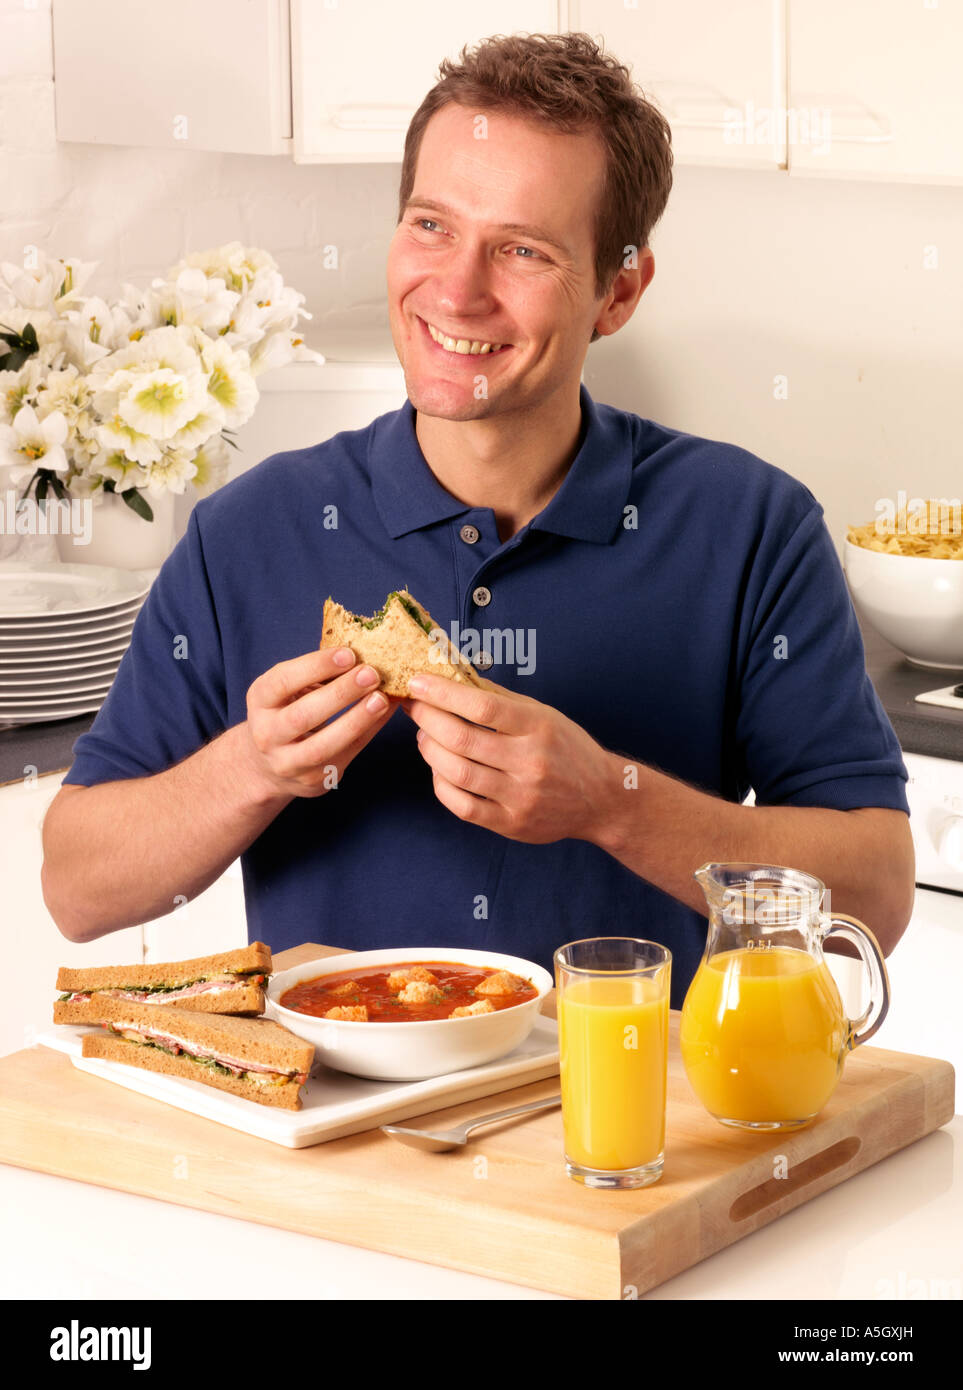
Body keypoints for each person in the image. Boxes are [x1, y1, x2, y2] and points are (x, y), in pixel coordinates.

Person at [41, 32, 914, 1008]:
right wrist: (253, 766)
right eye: (430, 226)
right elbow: (77, 890)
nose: (457, 290)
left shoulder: (752, 528)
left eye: (523, 249)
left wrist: (609, 802)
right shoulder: (249, 530)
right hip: (332, 1141)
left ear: (618, 289)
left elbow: (875, 894)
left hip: (628, 1136)